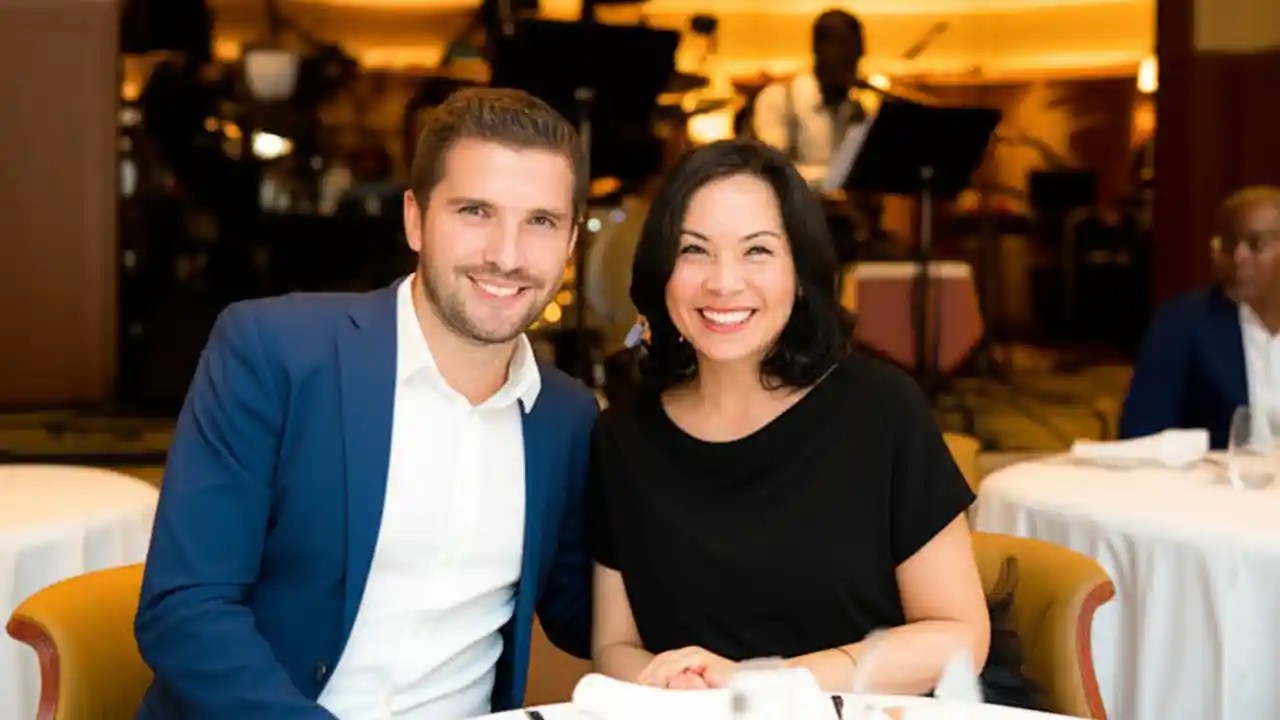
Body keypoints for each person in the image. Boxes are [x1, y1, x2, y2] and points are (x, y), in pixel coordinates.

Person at [134, 88, 598, 719]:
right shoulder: (274, 353)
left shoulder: (567, 416)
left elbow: (585, 616)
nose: (507, 255)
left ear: (571, 240)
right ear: (414, 219)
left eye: (540, 221)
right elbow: (185, 611)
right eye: (475, 211)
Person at [588, 139, 990, 696]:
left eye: (757, 251)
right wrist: (678, 686)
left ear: (800, 273)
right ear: (661, 272)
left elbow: (959, 635)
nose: (724, 282)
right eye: (693, 250)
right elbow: (614, 644)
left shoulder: (880, 410)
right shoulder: (623, 434)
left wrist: (764, 685)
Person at [1120, 185, 1280, 448]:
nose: (1239, 257)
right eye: (1229, 244)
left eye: (1255, 244)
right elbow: (1141, 433)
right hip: (1218, 484)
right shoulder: (1183, 322)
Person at [751, 8, 881, 186]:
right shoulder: (778, 100)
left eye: (857, 55)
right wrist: (837, 180)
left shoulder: (857, 109)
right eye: (845, 52)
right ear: (819, 49)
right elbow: (775, 171)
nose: (853, 64)